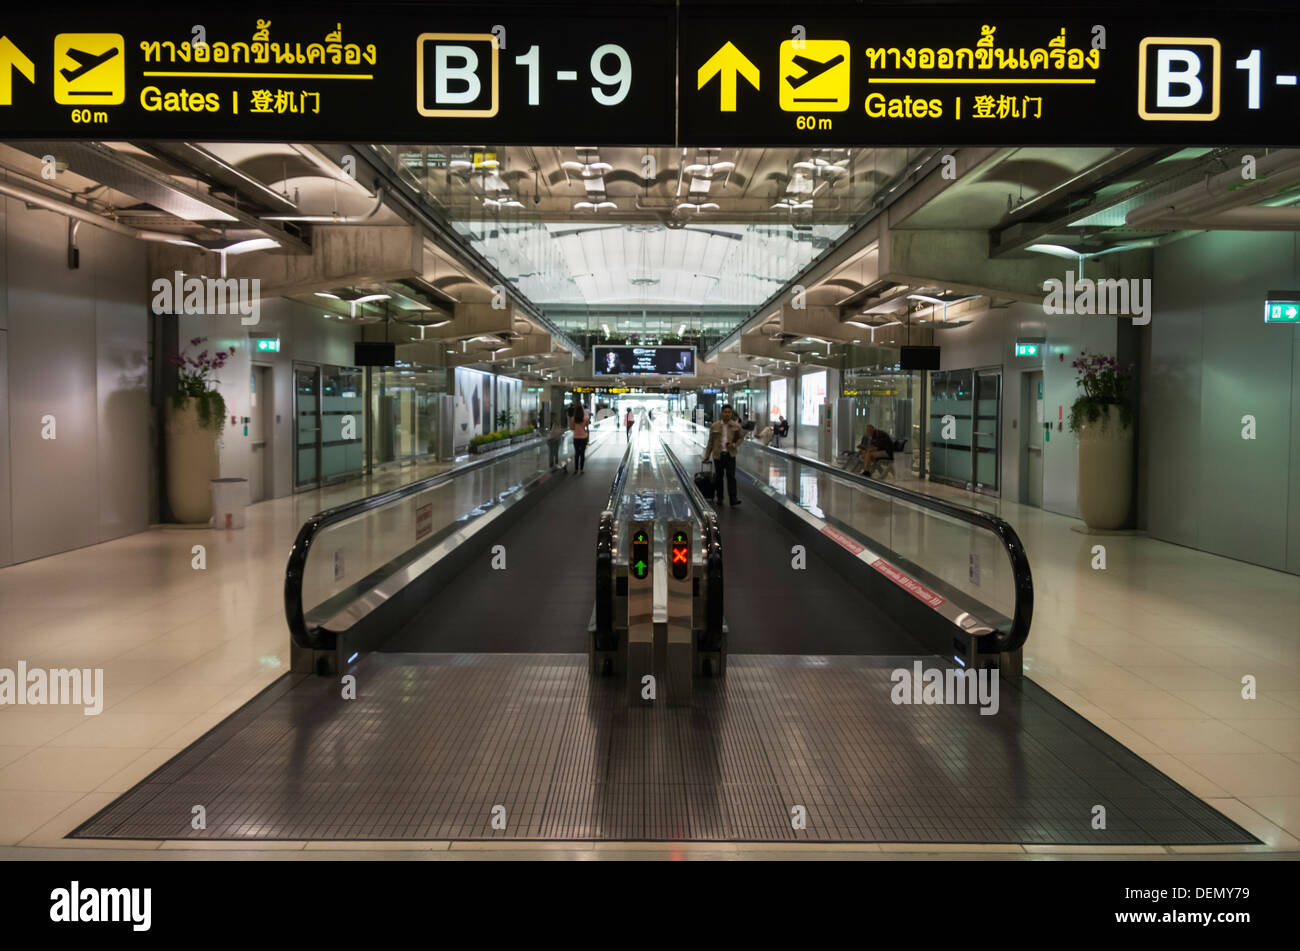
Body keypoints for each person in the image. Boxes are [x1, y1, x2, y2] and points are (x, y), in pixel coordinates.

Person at [702, 404, 744, 506]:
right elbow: (710, 442)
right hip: (718, 455)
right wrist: (707, 455)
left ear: (731, 413)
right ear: (721, 413)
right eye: (725, 412)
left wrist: (734, 445)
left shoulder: (736, 426)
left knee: (731, 477)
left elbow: (741, 438)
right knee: (719, 477)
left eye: (729, 412)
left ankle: (733, 499)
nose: (727, 414)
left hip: (730, 454)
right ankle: (720, 498)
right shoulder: (714, 426)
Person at [571, 401, 590, 473]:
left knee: (577, 453)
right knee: (582, 453)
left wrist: (577, 428)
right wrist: (588, 438)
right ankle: (581, 469)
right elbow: (587, 429)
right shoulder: (586, 418)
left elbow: (572, 428)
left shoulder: (573, 418)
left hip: (576, 437)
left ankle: (576, 469)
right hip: (584, 437)